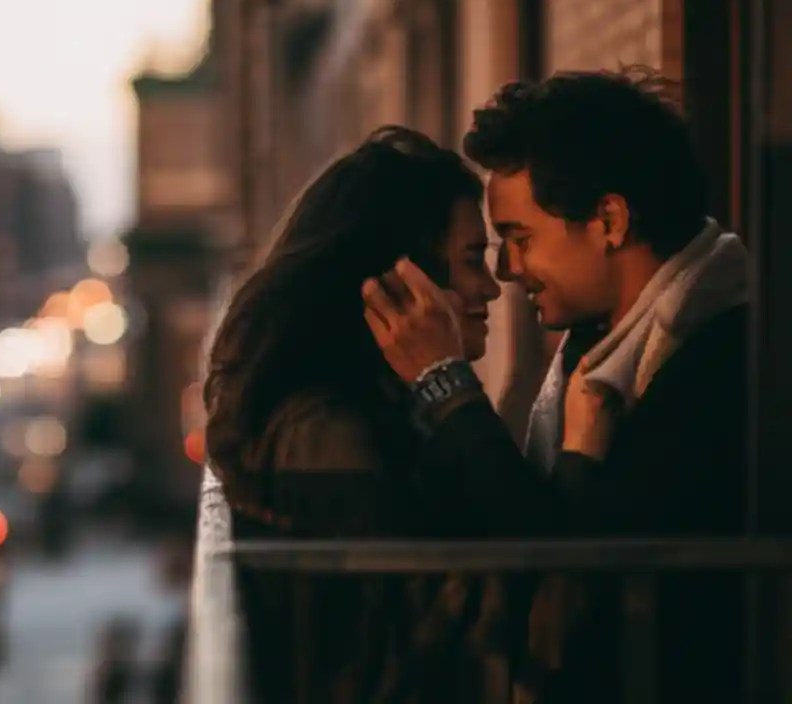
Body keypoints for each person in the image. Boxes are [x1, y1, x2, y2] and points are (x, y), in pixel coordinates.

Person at [362, 68, 749, 702]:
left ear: (610, 221)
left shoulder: (718, 360)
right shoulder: (599, 347)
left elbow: (560, 578)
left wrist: (446, 387)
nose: (508, 272)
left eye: (519, 239)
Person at [204, 126, 507, 703]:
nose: (491, 288)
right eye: (473, 260)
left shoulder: (378, 406)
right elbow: (449, 615)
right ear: (402, 277)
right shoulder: (326, 431)